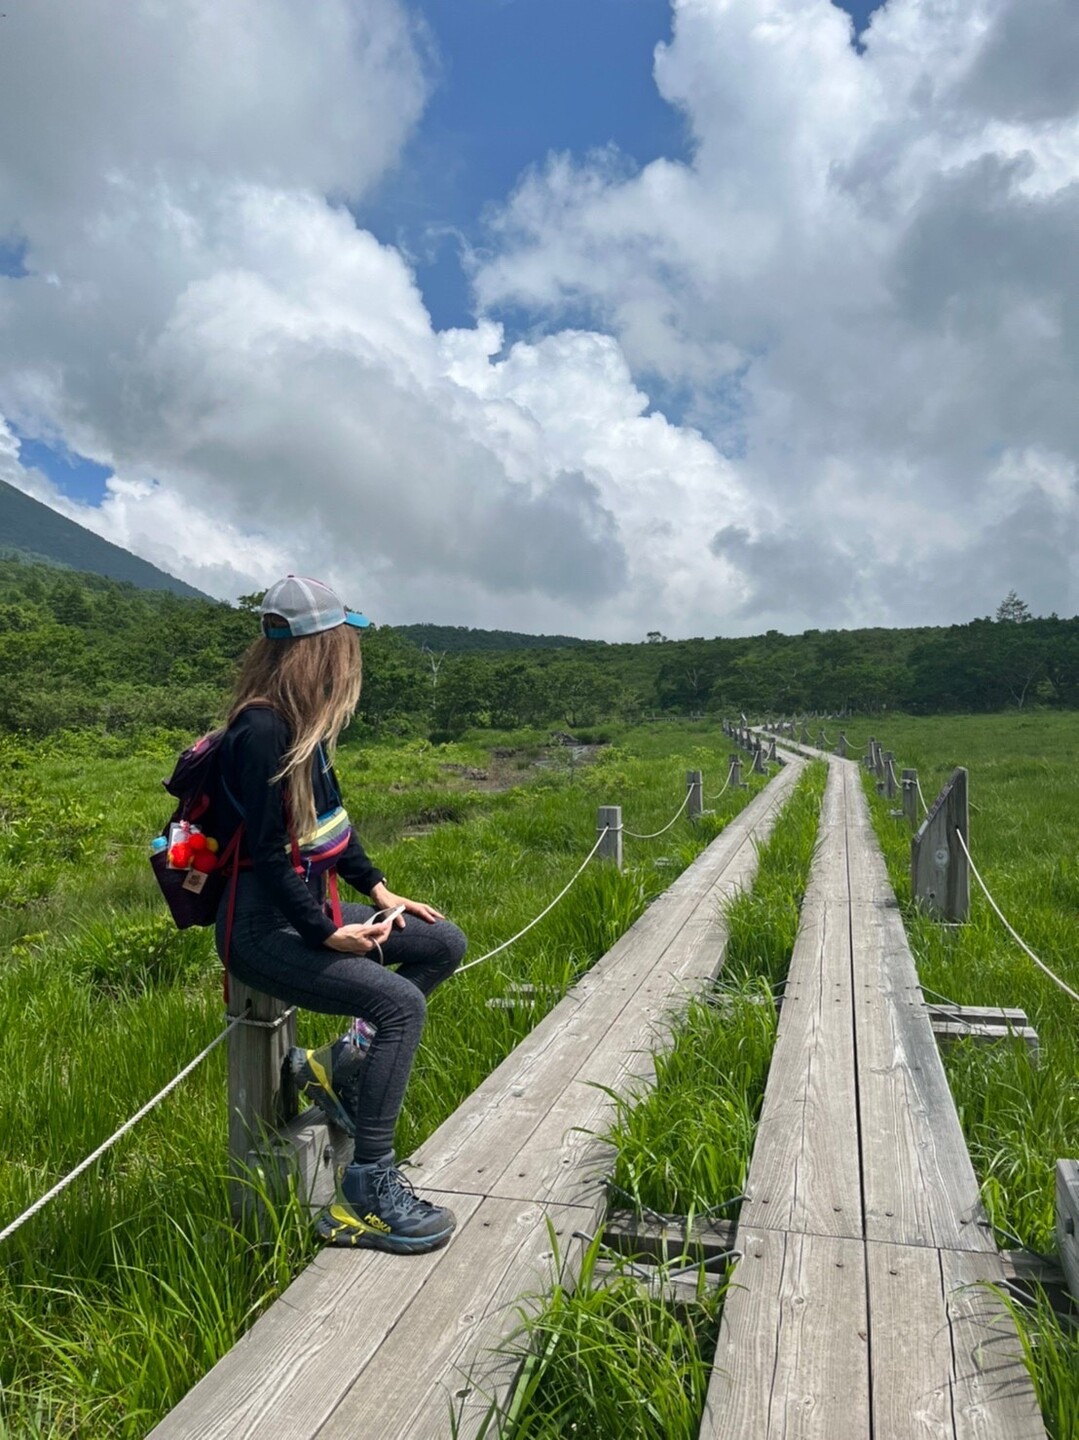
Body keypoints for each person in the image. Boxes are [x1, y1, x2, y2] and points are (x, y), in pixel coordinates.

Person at [213, 574, 467, 1253]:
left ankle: (338, 1065)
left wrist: (380, 892)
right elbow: (268, 854)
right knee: (399, 1008)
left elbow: (331, 829)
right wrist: (328, 933)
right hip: (260, 930)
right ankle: (366, 1192)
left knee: (441, 942)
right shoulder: (263, 730)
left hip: (303, 909)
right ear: (322, 648)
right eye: (344, 641)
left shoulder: (303, 726)